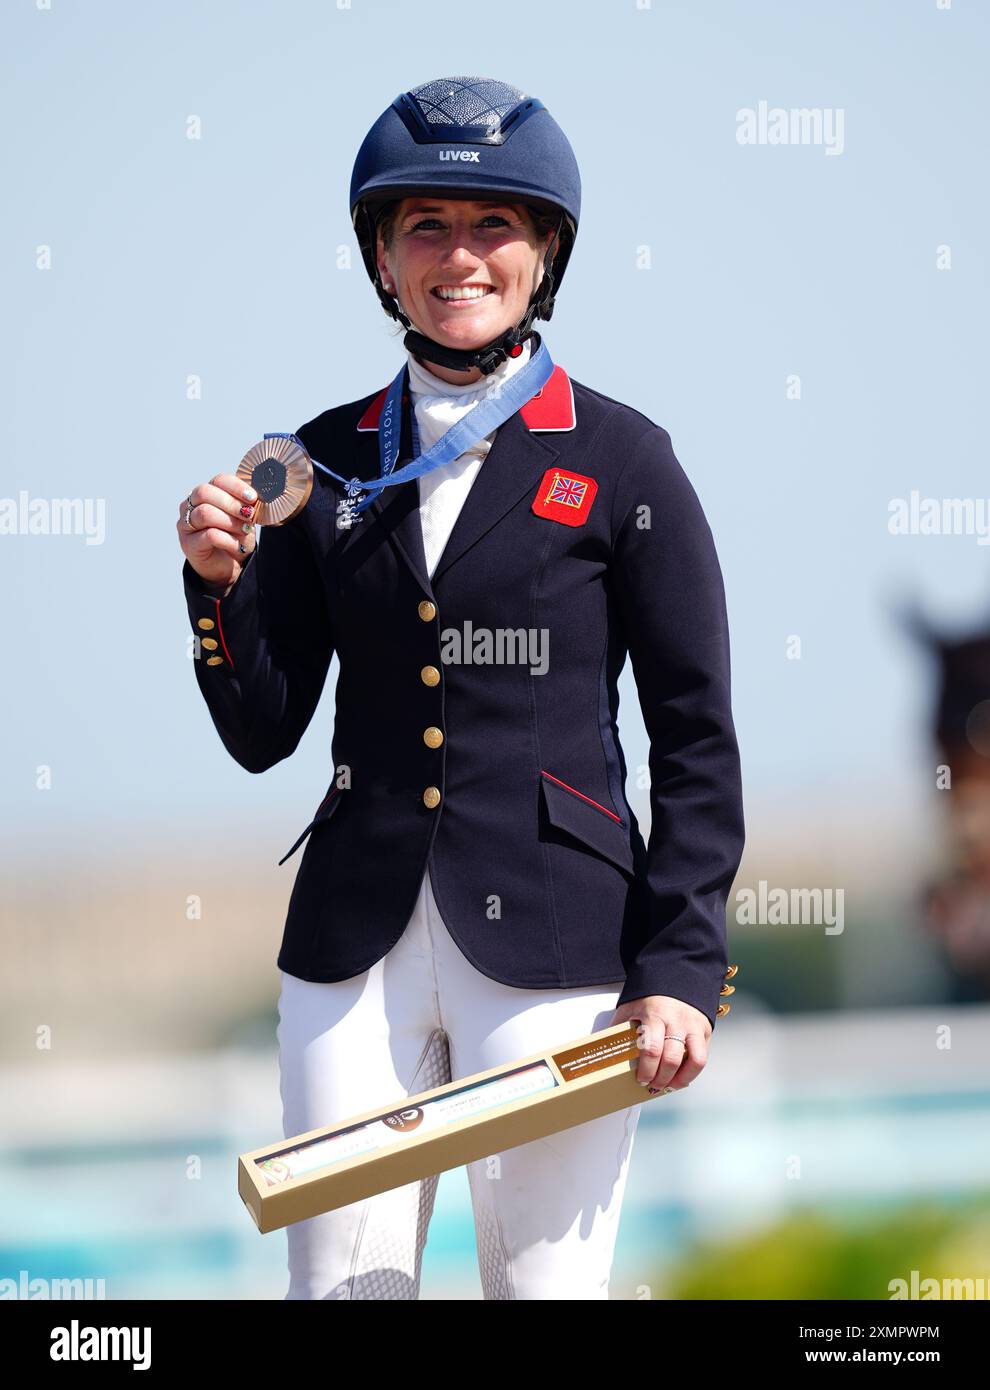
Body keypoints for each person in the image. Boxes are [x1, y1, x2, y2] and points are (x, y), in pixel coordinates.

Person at [177, 75, 745, 1300]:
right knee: (342, 1293)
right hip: (353, 953)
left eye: (494, 224)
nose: (460, 255)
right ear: (383, 257)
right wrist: (218, 588)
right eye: (423, 225)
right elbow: (263, 729)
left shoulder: (625, 458)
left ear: (545, 252)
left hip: (558, 943)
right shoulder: (319, 462)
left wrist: (683, 965)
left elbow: (695, 737)